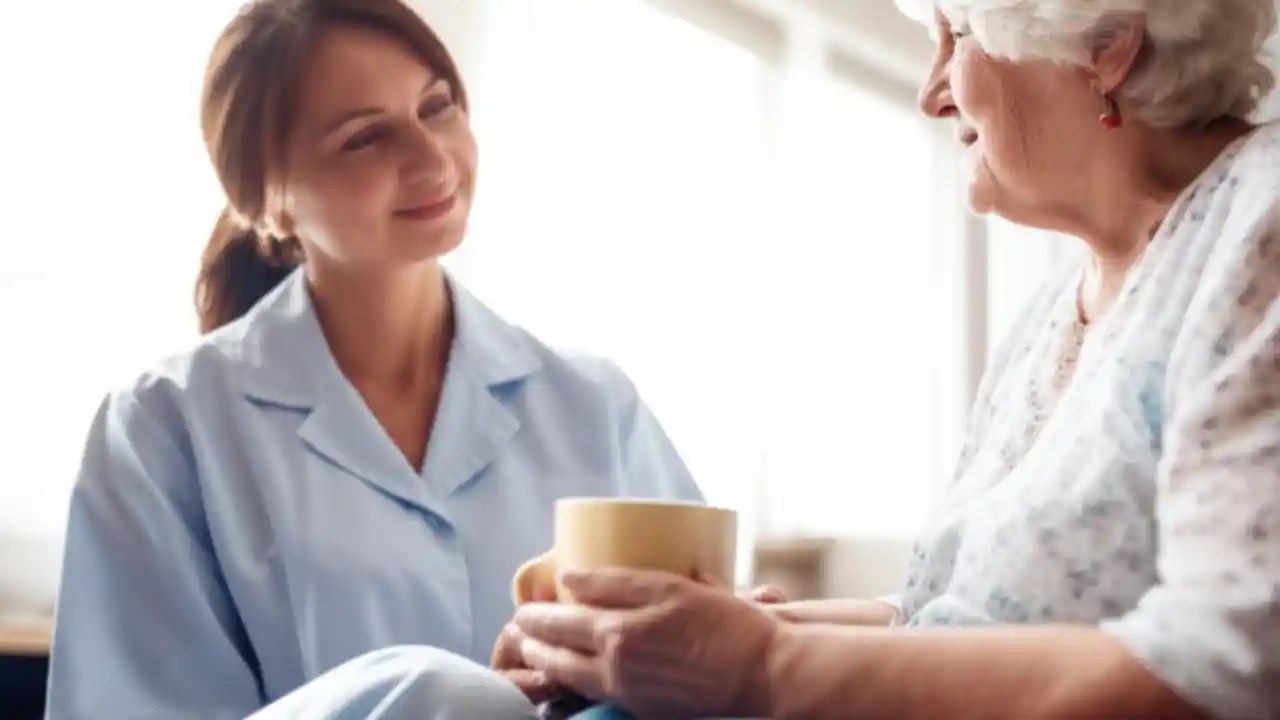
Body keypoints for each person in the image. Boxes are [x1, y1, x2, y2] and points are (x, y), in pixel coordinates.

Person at [507, 0, 1280, 717]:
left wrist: (768, 663)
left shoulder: (1261, 217)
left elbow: (1230, 663)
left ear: (1106, 50)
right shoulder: (1052, 309)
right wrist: (676, 635)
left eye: (958, 40)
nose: (932, 93)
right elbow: (948, 614)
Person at [43, 0, 701, 716]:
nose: (430, 158)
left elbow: (706, 672)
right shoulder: (164, 425)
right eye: (364, 139)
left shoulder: (595, 405)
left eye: (437, 107)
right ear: (266, 199)